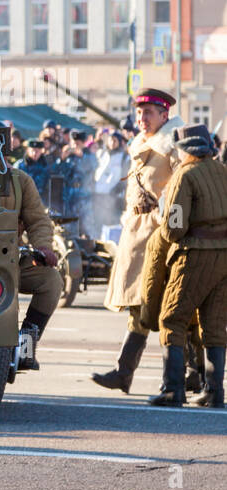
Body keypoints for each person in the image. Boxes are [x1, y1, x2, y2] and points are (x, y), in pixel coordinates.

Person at [93, 87, 184, 393]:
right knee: (138, 304)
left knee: (165, 307)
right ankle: (124, 373)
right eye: (139, 112)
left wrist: (175, 232)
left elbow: (183, 191)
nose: (142, 118)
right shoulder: (141, 142)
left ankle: (186, 376)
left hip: (158, 234)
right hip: (136, 230)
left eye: (148, 113)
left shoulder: (173, 143)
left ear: (164, 114)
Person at [141, 125, 227, 407]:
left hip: (195, 255)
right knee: (214, 324)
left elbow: (175, 227)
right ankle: (214, 392)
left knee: (172, 319)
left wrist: (163, 231)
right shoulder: (223, 172)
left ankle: (173, 389)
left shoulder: (184, 175)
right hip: (224, 255)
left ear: (185, 150)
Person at [0, 121, 62, 369]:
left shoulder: (20, 181)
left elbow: (38, 220)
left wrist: (43, 248)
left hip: (9, 259)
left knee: (51, 281)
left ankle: (26, 348)